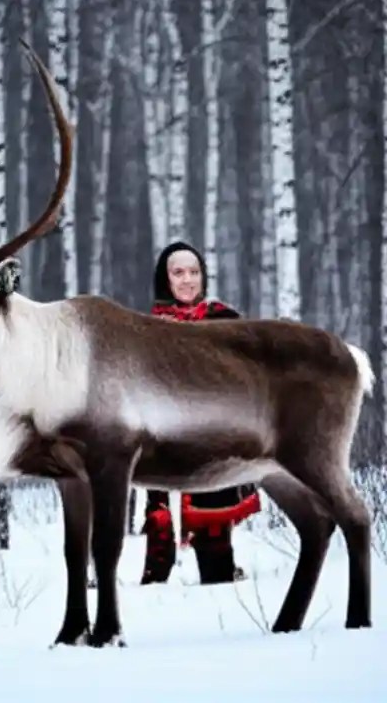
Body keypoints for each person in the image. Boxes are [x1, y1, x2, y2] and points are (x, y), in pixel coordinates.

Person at [139, 241, 262, 586]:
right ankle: (157, 580)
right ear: (165, 279)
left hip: (215, 436)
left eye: (194, 272)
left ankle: (220, 577)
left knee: (214, 545)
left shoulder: (225, 320)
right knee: (159, 510)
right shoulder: (149, 330)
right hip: (165, 436)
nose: (188, 280)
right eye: (178, 273)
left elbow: (251, 374)